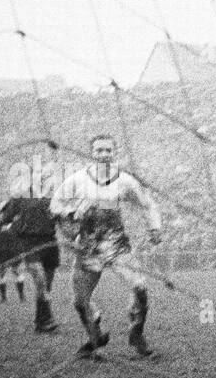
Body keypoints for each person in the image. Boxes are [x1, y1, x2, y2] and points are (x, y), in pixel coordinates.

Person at [50, 134, 162, 357]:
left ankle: (137, 332)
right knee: (80, 302)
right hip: (88, 249)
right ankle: (95, 335)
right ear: (91, 153)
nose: (103, 154)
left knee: (140, 288)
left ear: (114, 152)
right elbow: (55, 204)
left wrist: (154, 227)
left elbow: (147, 204)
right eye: (99, 150)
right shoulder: (77, 180)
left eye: (107, 150)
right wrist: (71, 215)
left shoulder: (124, 180)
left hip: (117, 247)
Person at [0, 174, 61, 333]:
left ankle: (41, 323)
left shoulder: (54, 197)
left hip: (50, 243)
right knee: (40, 282)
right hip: (30, 244)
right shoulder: (21, 197)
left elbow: (63, 218)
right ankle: (48, 319)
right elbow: (4, 219)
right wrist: (13, 224)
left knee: (46, 286)